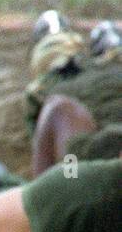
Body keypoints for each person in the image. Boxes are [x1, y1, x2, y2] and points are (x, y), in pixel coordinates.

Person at [24, 9, 122, 175]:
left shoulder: (77, 176)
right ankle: (110, 43)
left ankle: (56, 37)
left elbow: (56, 111)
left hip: (70, 84)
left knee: (55, 57)